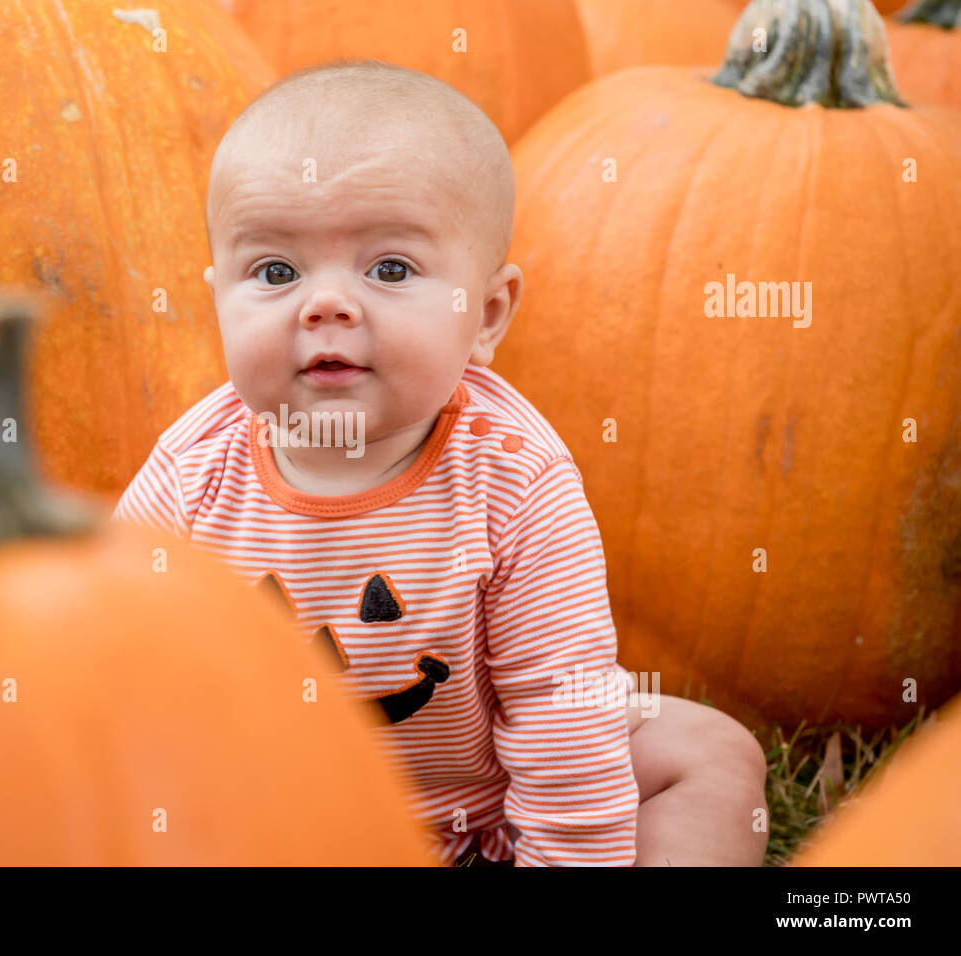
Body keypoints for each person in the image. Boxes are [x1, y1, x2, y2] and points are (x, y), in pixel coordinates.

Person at [114, 59, 766, 866]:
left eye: (390, 269)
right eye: (275, 272)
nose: (327, 303)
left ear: (486, 314)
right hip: (276, 829)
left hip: (486, 816)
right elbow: (108, 668)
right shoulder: (192, 476)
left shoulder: (515, 479)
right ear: (219, 298)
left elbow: (560, 713)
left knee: (706, 752)